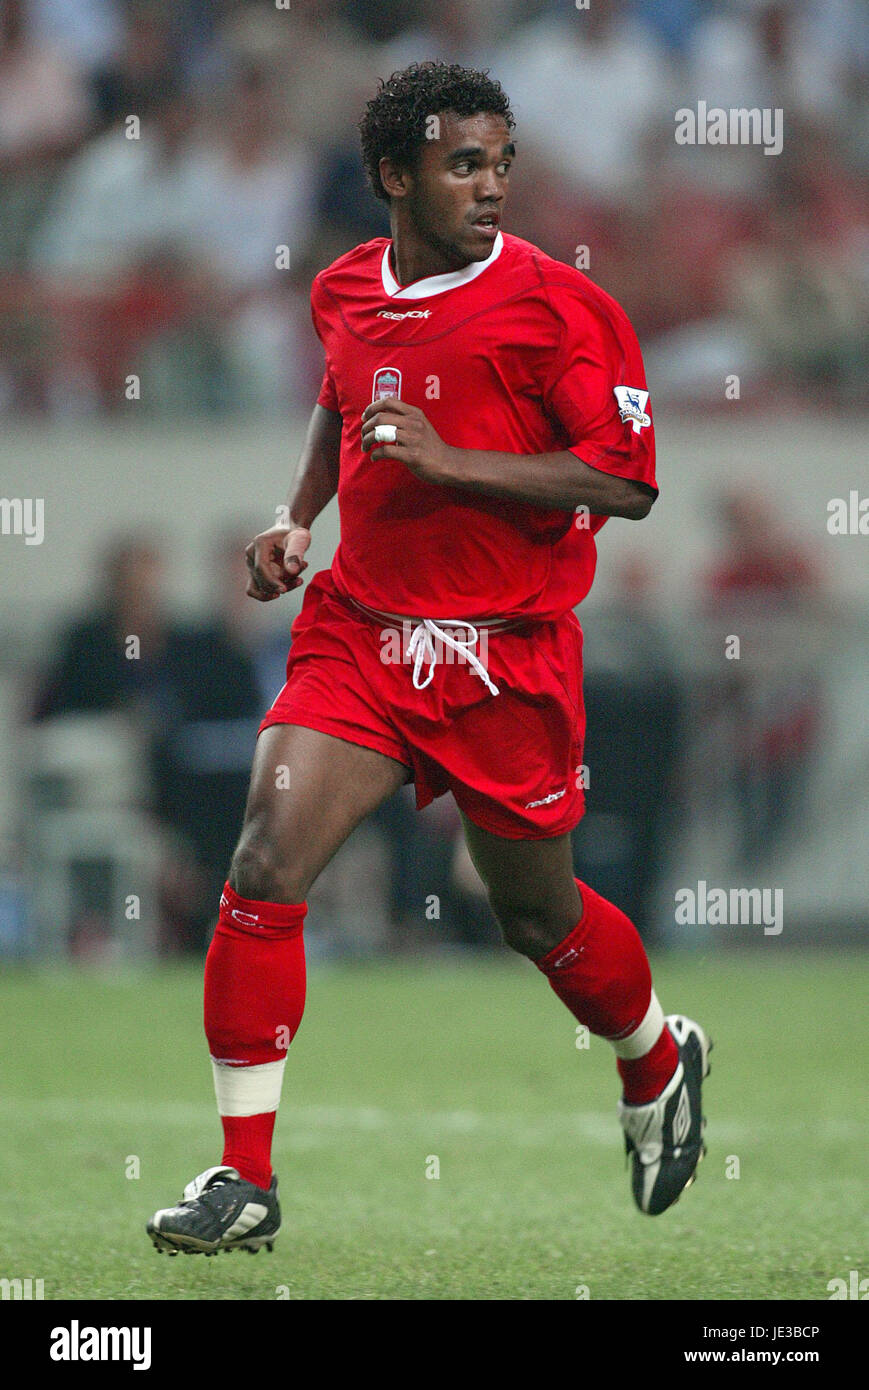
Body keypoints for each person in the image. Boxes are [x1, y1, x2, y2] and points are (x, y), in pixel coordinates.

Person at [147, 62, 711, 1258]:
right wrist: (300, 517)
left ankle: (655, 1056)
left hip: (504, 653)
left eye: (502, 164)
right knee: (264, 858)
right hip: (361, 629)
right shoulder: (348, 284)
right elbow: (341, 398)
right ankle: (244, 1180)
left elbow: (624, 479)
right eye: (465, 165)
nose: (492, 187)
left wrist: (455, 464)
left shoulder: (562, 308)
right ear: (393, 176)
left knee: (535, 917)